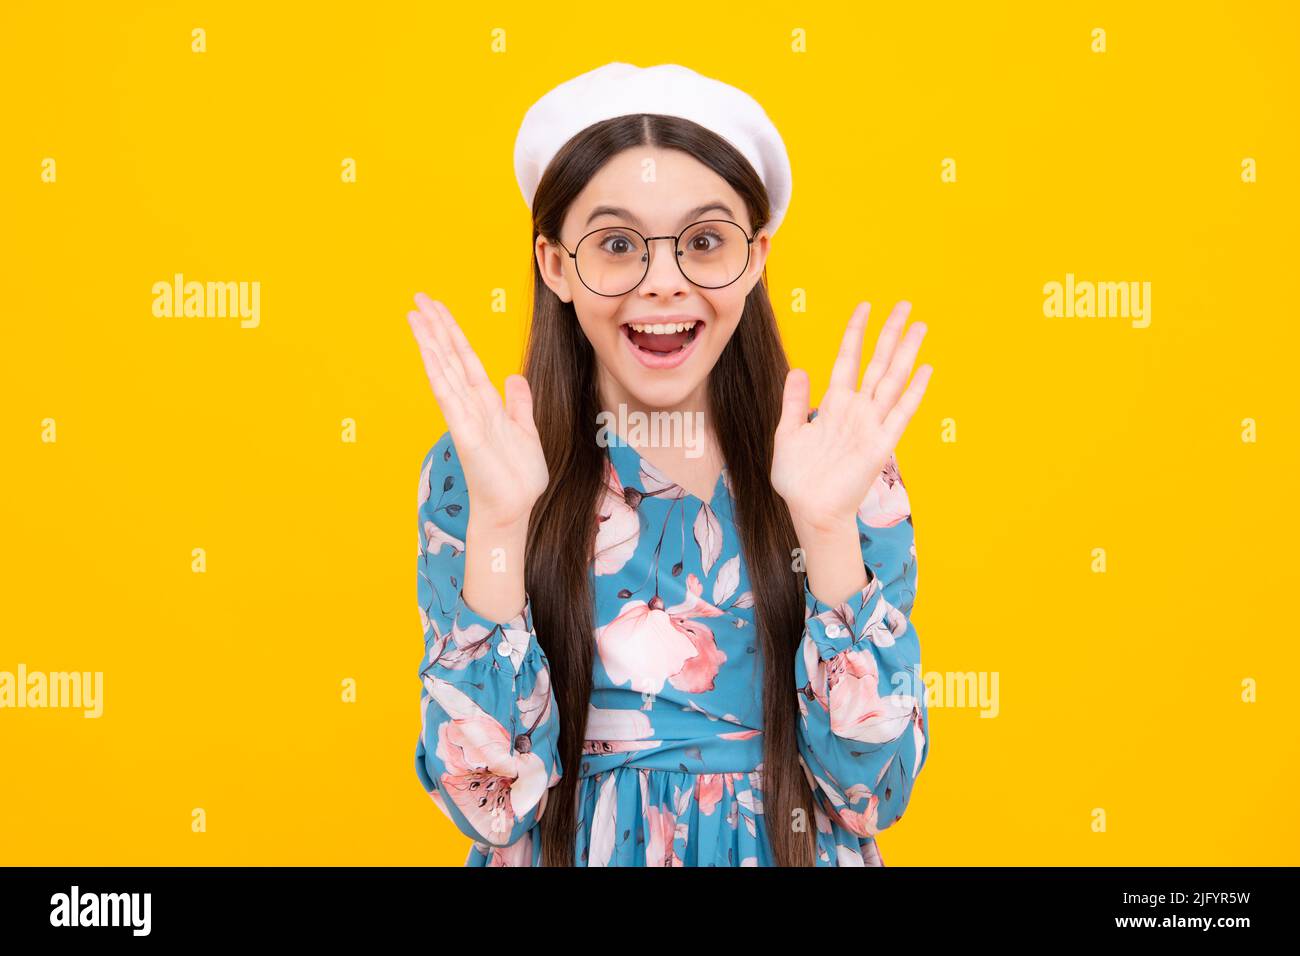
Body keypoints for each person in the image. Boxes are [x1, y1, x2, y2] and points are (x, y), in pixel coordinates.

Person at [408, 62, 933, 866]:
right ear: (555, 266)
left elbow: (875, 790)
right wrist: (502, 527)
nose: (663, 283)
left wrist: (825, 532)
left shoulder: (842, 463)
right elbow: (489, 801)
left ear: (755, 259)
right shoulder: (480, 471)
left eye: (704, 242)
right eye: (617, 244)